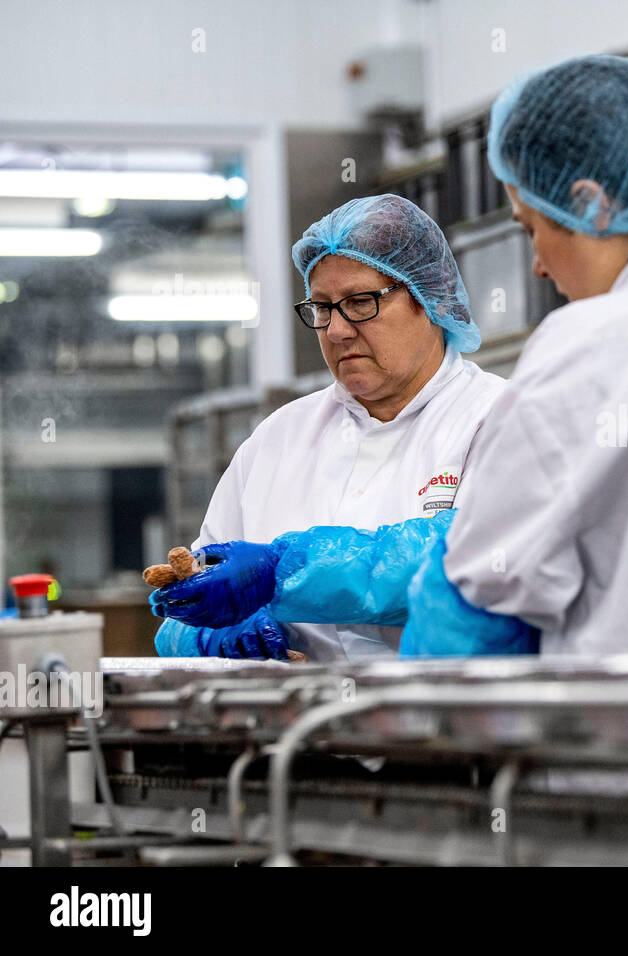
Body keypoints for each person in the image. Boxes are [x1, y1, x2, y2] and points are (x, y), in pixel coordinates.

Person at [152, 55, 628, 658]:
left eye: (531, 227)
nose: (535, 265)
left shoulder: (588, 351)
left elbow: (482, 596)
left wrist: (421, 719)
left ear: (591, 205)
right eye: (323, 309)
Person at [149, 194, 504, 661]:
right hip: (292, 726)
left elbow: (470, 562)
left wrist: (283, 571)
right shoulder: (278, 438)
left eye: (360, 302)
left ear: (428, 299)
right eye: (321, 307)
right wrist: (213, 635)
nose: (336, 330)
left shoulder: (499, 417)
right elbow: (183, 607)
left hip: (441, 721)